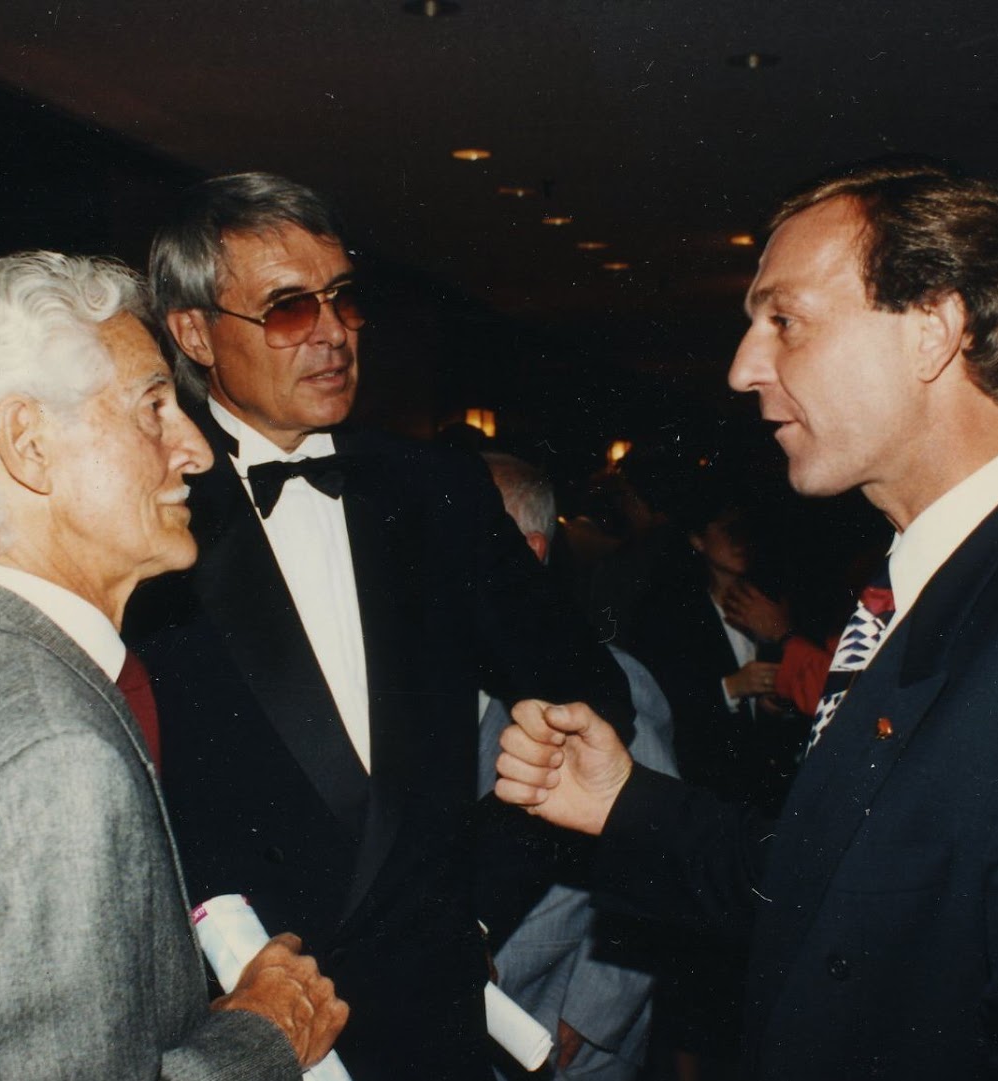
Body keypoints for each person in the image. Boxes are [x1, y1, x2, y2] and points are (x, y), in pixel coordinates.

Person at [494, 160, 998, 1078]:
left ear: (933, 332)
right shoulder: (938, 583)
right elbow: (843, 889)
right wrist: (625, 802)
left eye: (783, 320)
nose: (745, 368)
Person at [130, 173, 631, 1081]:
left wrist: (478, 899)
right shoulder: (145, 509)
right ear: (194, 332)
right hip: (242, 1023)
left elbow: (589, 694)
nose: (332, 333)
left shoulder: (434, 490)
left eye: (343, 299)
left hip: (430, 1010)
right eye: (286, 309)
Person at [0, 251, 347, 1081]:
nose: (196, 451)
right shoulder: (53, 752)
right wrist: (264, 1037)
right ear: (28, 446)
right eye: (153, 406)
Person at [475, 452, 675, 1081]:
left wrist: (590, 1017)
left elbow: (656, 856)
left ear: (529, 550)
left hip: (562, 1032)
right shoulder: (429, 683)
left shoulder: (606, 681)